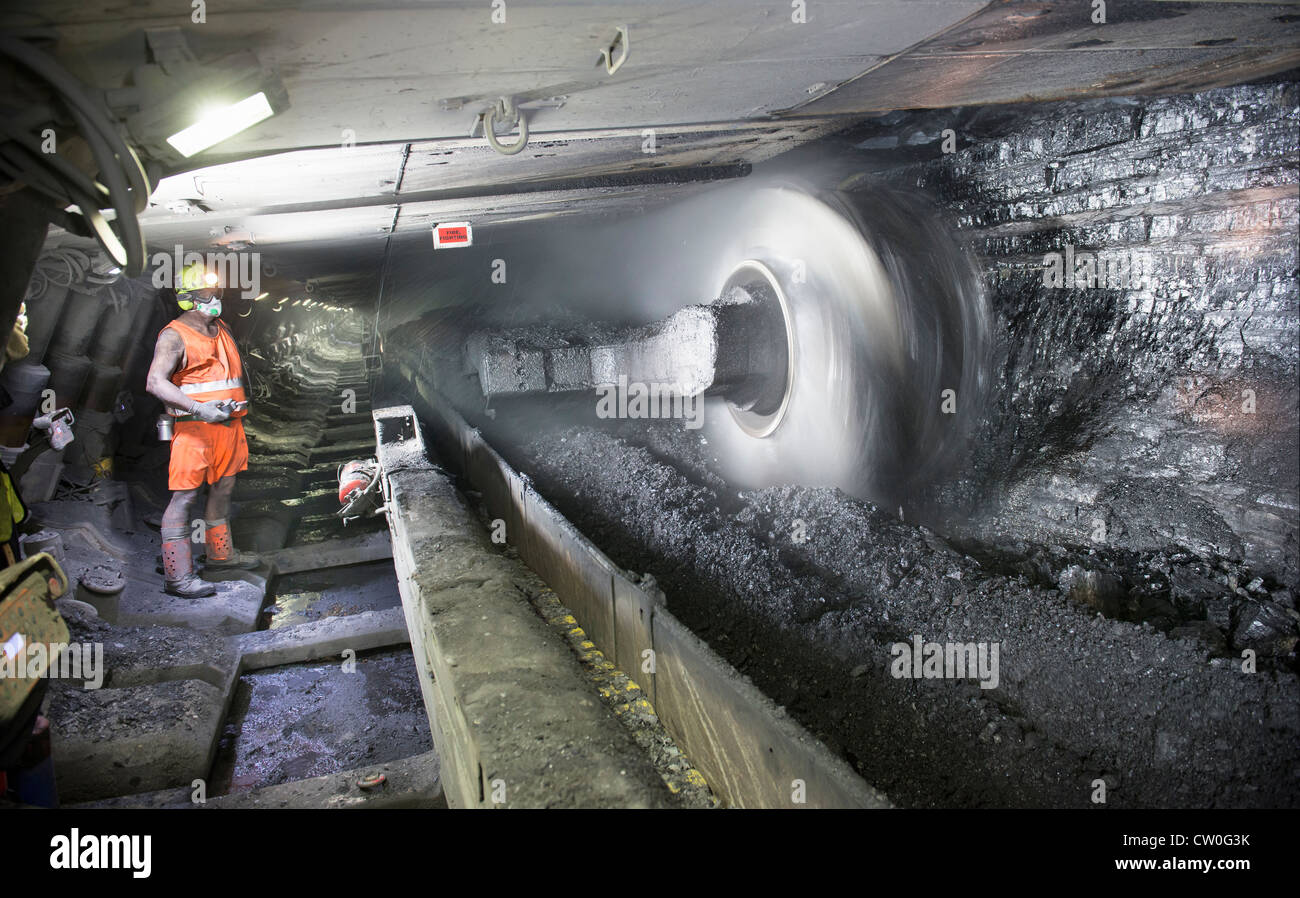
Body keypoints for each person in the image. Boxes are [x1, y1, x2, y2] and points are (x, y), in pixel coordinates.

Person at [145, 261, 259, 598]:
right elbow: (155, 382)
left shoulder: (221, 327)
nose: (215, 298)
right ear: (188, 299)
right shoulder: (174, 336)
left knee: (224, 489)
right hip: (194, 430)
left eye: (216, 292)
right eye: (207, 293)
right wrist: (198, 408)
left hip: (229, 426)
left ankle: (220, 557)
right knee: (185, 497)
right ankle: (178, 576)